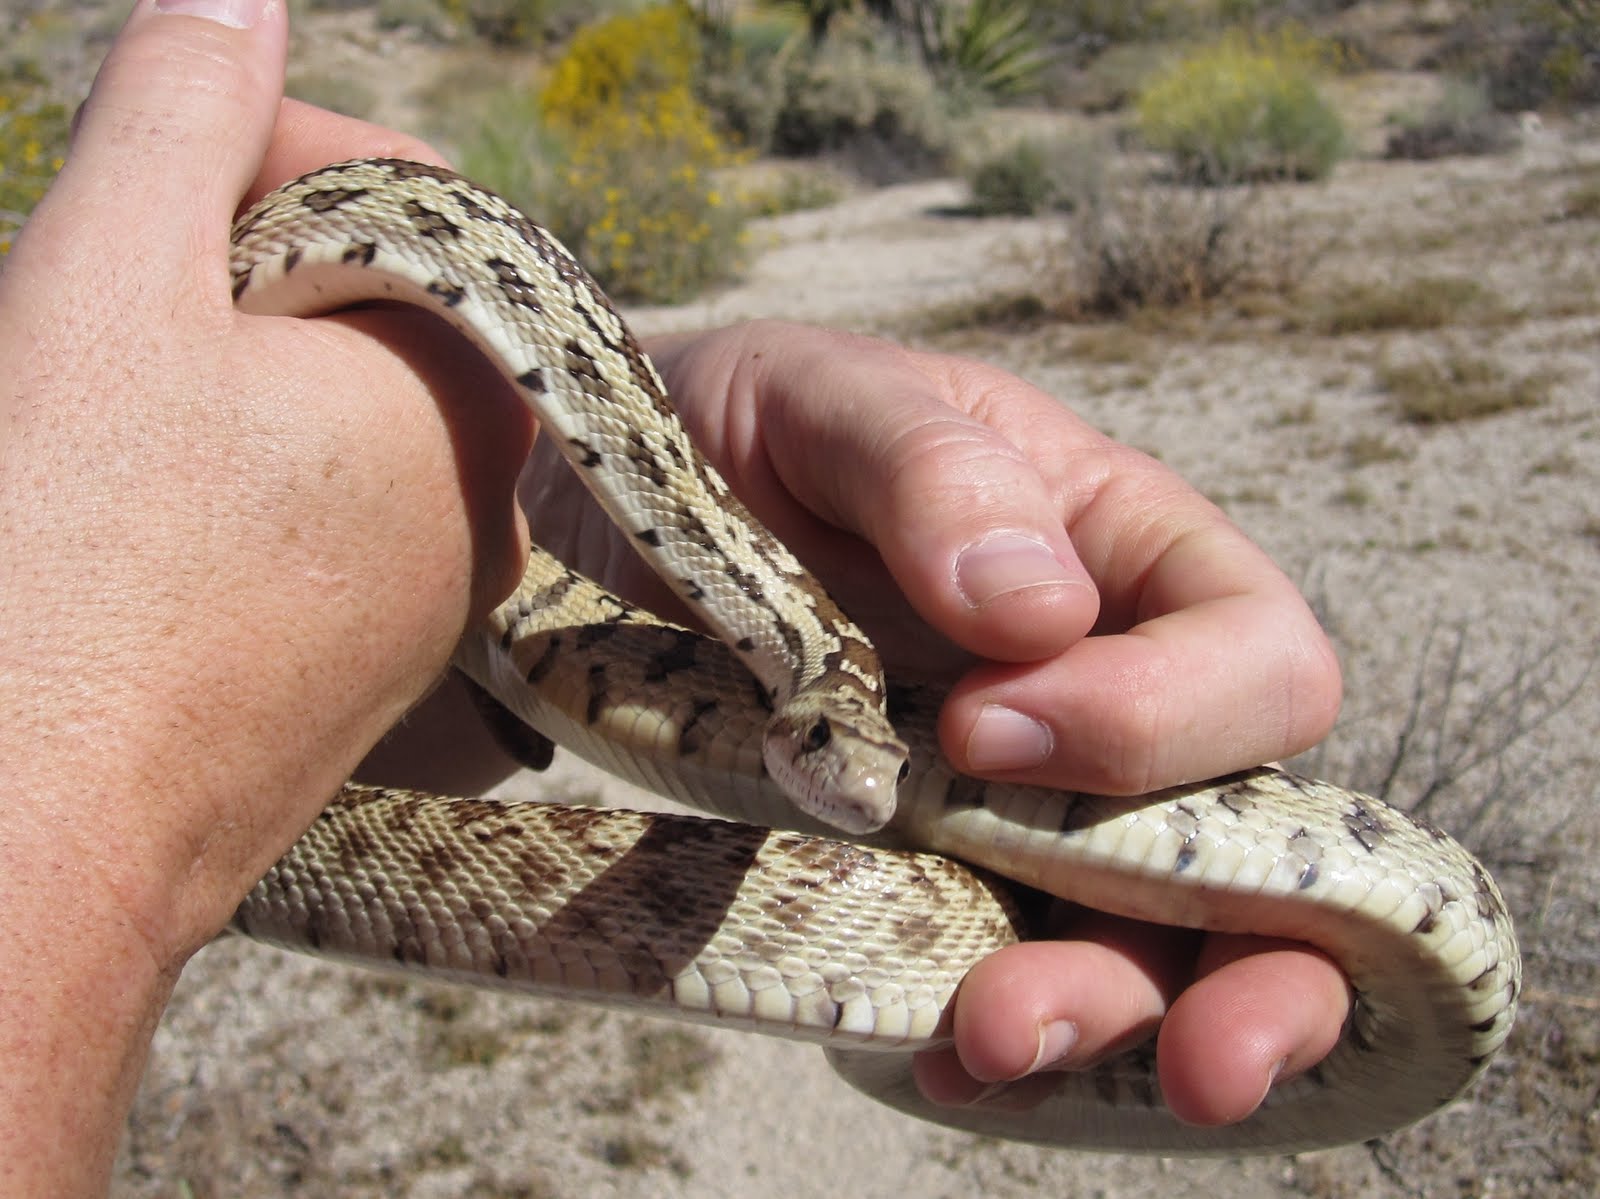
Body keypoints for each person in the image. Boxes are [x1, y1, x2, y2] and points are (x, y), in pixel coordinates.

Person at [0, 1, 1349, 1193]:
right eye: (828, 749)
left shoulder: (814, 674)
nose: (856, 789)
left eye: (869, 765)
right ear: (793, 722)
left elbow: (212, 588)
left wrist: (520, 508)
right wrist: (96, 801)